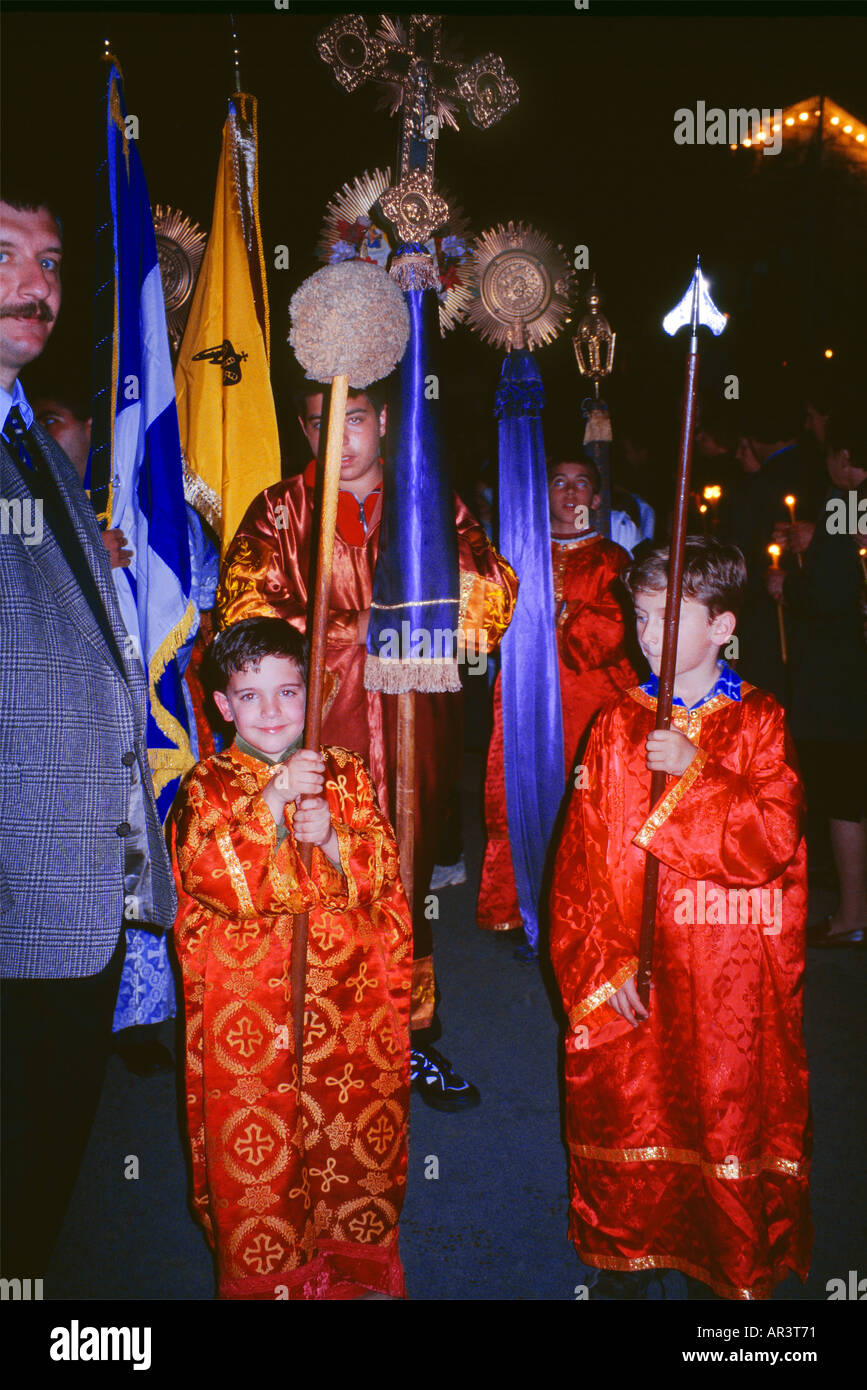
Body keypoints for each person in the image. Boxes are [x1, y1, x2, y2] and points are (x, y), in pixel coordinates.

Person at [216, 380, 517, 1110]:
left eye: (354, 419)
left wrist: (431, 593)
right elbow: (247, 622)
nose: (340, 438)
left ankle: (406, 1034)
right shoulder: (279, 511)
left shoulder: (431, 503)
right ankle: (315, 1035)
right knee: (316, 870)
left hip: (417, 732)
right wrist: (368, 629)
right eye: (322, 423)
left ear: (384, 420)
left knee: (402, 877)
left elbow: (489, 604)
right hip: (322, 733)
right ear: (304, 427)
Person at [550, 537, 811, 1300]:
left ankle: (722, 1261)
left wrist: (692, 775)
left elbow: (770, 839)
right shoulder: (613, 725)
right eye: (639, 613)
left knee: (717, 1114)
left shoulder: (760, 721)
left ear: (723, 626)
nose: (645, 630)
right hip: (632, 970)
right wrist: (603, 966)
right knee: (636, 1107)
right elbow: (580, 866)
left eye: (669, 615)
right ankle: (631, 1252)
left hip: (724, 977)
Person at [0, 193, 175, 1275]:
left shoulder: (30, 435)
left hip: (66, 888)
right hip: (18, 892)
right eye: (5, 255)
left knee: (39, 1171)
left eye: (53, 261)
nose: (39, 284)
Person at [171, 618, 412, 1299]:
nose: (272, 712)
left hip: (342, 1004)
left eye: (286, 693)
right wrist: (273, 803)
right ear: (224, 704)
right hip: (251, 1015)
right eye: (250, 696)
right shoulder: (207, 786)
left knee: (341, 1144)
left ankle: (346, 1269)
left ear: (311, 694)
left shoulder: (343, 773)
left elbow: (384, 873)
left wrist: (334, 843)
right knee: (264, 1159)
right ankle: (276, 1279)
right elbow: (211, 880)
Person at [478, 456, 637, 938]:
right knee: (519, 793)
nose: (570, 493)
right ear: (542, 493)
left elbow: (614, 629)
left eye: (581, 483)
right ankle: (518, 902)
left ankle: (594, 907)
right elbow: (484, 621)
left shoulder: (612, 559)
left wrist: (560, 620)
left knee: (592, 799)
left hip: (593, 699)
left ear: (596, 497)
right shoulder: (518, 555)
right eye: (559, 483)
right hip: (525, 695)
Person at [767, 399, 867, 947]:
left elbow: (830, 593)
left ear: (845, 457)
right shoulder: (848, 510)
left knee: (844, 796)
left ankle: (852, 914)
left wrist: (790, 586)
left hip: (841, 676)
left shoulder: (845, 503)